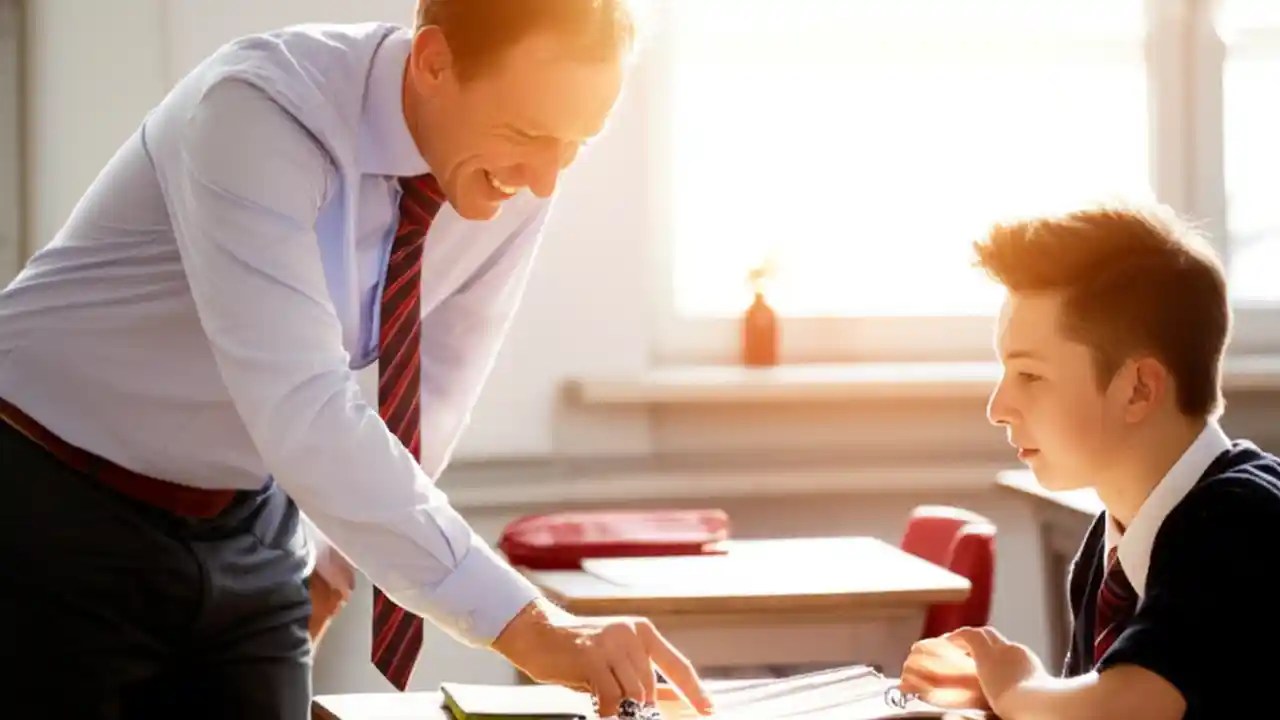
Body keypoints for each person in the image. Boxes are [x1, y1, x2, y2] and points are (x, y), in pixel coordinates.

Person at [0, 1, 716, 718]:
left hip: (247, 516)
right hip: (52, 498)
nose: (546, 178)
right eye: (529, 134)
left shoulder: (511, 174)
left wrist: (332, 571)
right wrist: (533, 626)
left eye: (576, 143)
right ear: (433, 62)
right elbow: (304, 404)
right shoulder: (258, 111)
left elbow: (430, 399)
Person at [897, 204, 1280, 719]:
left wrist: (1020, 688)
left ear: (1138, 389)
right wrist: (1007, 701)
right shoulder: (1110, 546)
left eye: (1030, 376)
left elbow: (1127, 708)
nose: (998, 407)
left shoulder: (1240, 518)